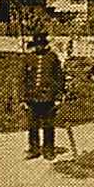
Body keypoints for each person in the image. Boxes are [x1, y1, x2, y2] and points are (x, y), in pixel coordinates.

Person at [21, 32, 64, 160]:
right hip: (32, 98)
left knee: (48, 125)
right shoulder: (29, 58)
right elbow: (23, 79)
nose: (39, 47)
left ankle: (48, 149)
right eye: (37, 45)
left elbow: (59, 78)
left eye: (41, 44)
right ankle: (34, 149)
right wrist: (23, 98)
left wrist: (58, 96)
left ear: (45, 45)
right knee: (32, 125)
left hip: (48, 98)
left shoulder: (52, 58)